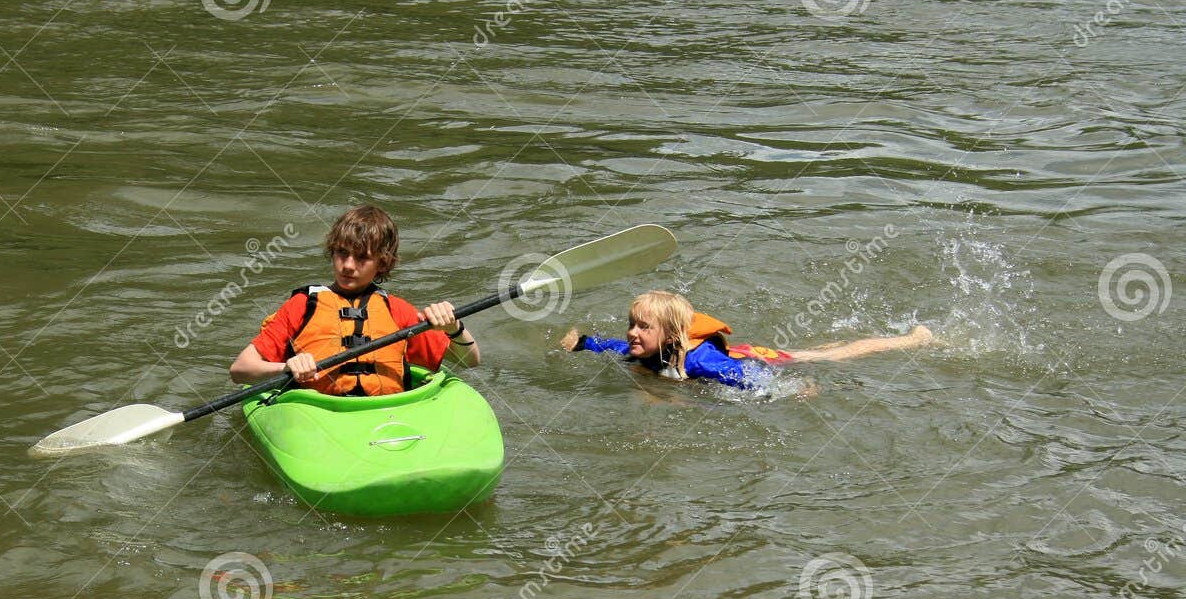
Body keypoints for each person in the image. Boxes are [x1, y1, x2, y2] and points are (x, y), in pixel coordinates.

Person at [230, 205, 480, 394]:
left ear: (382, 262)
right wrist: (286, 367)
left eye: (362, 257)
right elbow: (240, 370)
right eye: (341, 253)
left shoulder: (397, 311)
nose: (348, 266)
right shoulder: (302, 306)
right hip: (317, 412)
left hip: (388, 411)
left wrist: (453, 328)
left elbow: (469, 361)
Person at [559, 290, 932, 390]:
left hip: (755, 358)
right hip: (736, 354)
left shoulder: (703, 362)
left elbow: (748, 380)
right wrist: (581, 342)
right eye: (632, 324)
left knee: (831, 356)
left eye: (643, 327)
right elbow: (606, 345)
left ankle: (911, 339)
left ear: (672, 336)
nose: (632, 333)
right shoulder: (637, 350)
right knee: (818, 350)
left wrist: (794, 389)